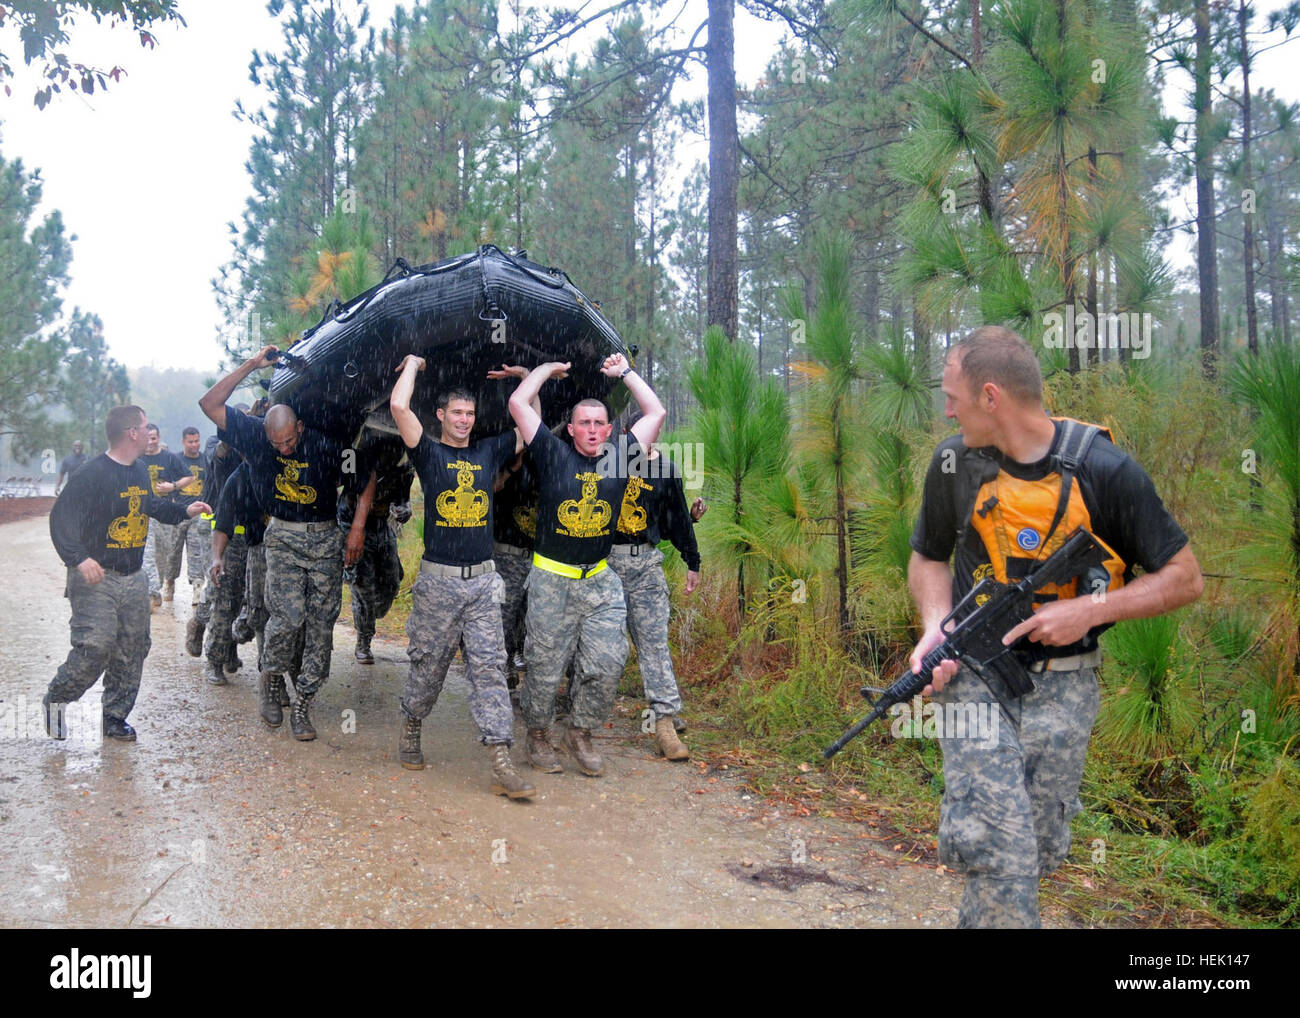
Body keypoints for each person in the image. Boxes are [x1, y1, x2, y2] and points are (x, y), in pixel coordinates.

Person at [906, 326, 1203, 928]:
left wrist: (1089, 610)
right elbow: (928, 556)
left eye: (952, 395)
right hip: (976, 682)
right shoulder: (952, 463)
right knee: (1000, 847)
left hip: (1067, 690)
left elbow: (1185, 578)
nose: (946, 408)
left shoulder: (1105, 470)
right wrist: (935, 624)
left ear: (990, 396)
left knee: (1032, 852)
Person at [199, 346, 373, 741]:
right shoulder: (256, 436)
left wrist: (358, 528)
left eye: (289, 442)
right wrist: (252, 365)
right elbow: (209, 403)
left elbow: (367, 479)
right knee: (286, 619)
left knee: (321, 626)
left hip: (326, 538)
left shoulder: (327, 445)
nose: (284, 450)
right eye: (277, 445)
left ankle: (304, 702)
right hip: (281, 539)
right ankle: (271, 679)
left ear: (300, 429)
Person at [507, 354, 666, 777]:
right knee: (543, 666)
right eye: (585, 423)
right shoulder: (553, 454)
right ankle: (538, 734)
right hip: (551, 581)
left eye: (600, 424)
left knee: (608, 662)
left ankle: (580, 732)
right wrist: (545, 371)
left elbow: (656, 412)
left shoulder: (620, 459)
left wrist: (626, 373)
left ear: (610, 431)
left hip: (599, 580)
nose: (593, 430)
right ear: (572, 428)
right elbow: (520, 405)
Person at [388, 356, 537, 799]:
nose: (464, 419)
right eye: (456, 412)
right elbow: (399, 407)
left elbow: (531, 424)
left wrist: (527, 379)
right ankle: (412, 721)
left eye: (469, 413)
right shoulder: (428, 452)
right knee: (429, 665)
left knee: (490, 667)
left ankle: (500, 759)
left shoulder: (488, 450)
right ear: (441, 416)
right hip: (439, 583)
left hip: (484, 582)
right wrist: (412, 365)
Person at [44, 406, 212, 741]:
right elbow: (60, 518)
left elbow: (152, 507)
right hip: (96, 577)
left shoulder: (138, 470)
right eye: (145, 426)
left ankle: (114, 716)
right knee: (95, 645)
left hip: (133, 577)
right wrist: (79, 558)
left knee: (134, 645)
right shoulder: (92, 473)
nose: (151, 432)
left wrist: (185, 509)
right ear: (131, 433)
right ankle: (57, 700)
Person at [607, 435, 702, 760]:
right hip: (603, 565)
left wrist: (693, 561)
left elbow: (676, 519)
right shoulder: (608, 463)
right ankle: (578, 717)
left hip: (646, 564)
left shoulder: (665, 469)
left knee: (653, 644)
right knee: (600, 645)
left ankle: (664, 724)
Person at [340, 432, 414, 665]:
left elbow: (404, 502)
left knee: (393, 580)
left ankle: (371, 612)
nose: (393, 458)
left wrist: (404, 511)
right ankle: (364, 640)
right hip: (352, 525)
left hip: (381, 526)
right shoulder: (359, 462)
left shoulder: (403, 471)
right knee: (364, 587)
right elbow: (349, 493)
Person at [139, 424, 196, 608]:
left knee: (164, 553)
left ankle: (161, 582)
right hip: (143, 513)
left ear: (158, 438)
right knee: (147, 552)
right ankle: (150, 591)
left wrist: (173, 486)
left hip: (165, 511)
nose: (150, 442)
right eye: (147, 438)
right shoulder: (136, 458)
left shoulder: (168, 458)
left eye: (153, 438)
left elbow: (189, 477)